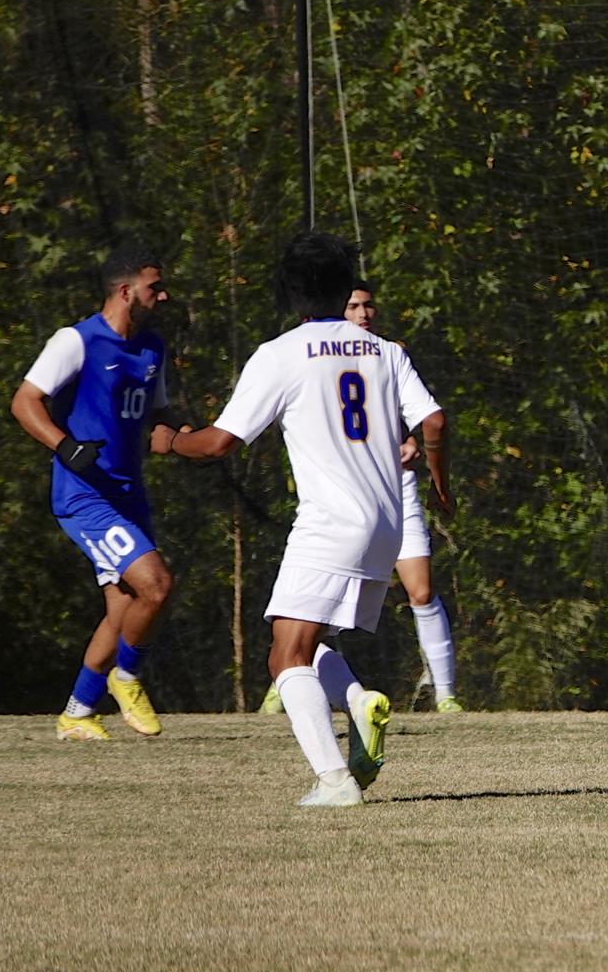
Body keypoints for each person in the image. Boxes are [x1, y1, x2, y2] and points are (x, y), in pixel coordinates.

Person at [175, 232, 451, 807]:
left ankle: (333, 781)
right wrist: (442, 485)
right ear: (341, 288)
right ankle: (356, 702)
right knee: (303, 636)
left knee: (285, 655)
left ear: (290, 292)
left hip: (332, 521)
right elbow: (436, 423)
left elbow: (220, 443)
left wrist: (171, 441)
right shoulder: (385, 350)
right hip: (388, 521)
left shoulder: (280, 353)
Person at [11, 239, 190, 741]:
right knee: (157, 584)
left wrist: (194, 441)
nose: (164, 296)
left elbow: (155, 424)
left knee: (124, 608)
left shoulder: (151, 348)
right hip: (84, 496)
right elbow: (24, 402)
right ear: (126, 290)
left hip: (129, 492)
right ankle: (126, 678)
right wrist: (64, 446)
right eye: (156, 287)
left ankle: (77, 712)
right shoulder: (77, 340)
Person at [258, 279, 462, 714]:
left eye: (369, 306)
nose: (363, 314)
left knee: (420, 592)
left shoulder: (389, 354)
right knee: (317, 618)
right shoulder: (316, 360)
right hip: (346, 501)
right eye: (353, 306)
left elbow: (424, 419)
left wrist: (409, 446)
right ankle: (297, 676)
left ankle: (445, 694)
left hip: (393, 495)